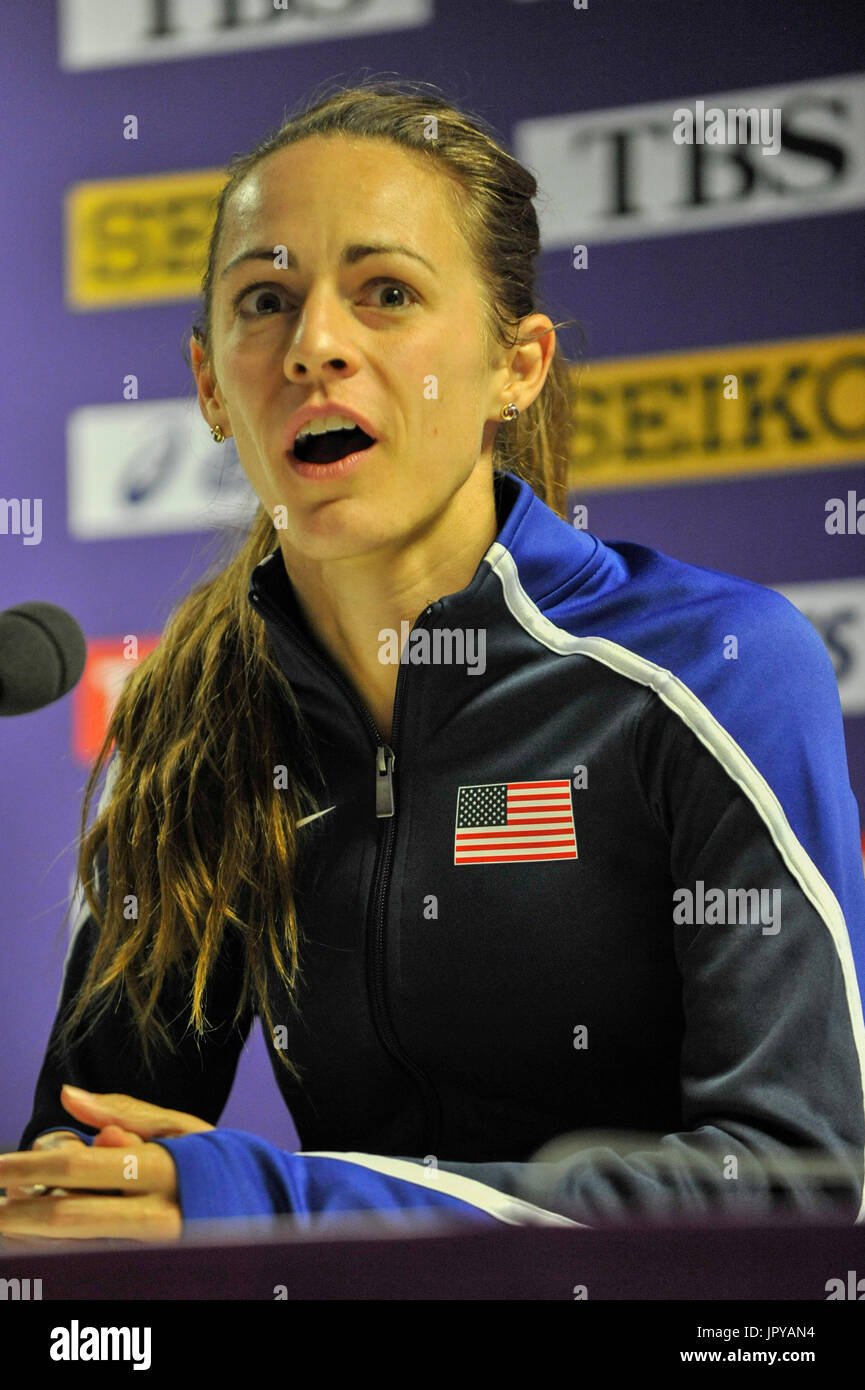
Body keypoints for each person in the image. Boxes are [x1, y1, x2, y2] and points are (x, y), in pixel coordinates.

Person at [2, 78, 864, 1246]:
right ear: (210, 383)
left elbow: (798, 1180)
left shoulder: (713, 667)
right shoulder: (188, 714)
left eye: (387, 293)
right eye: (266, 299)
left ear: (517, 366)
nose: (314, 346)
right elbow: (90, 1166)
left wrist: (274, 1204)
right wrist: (80, 1194)